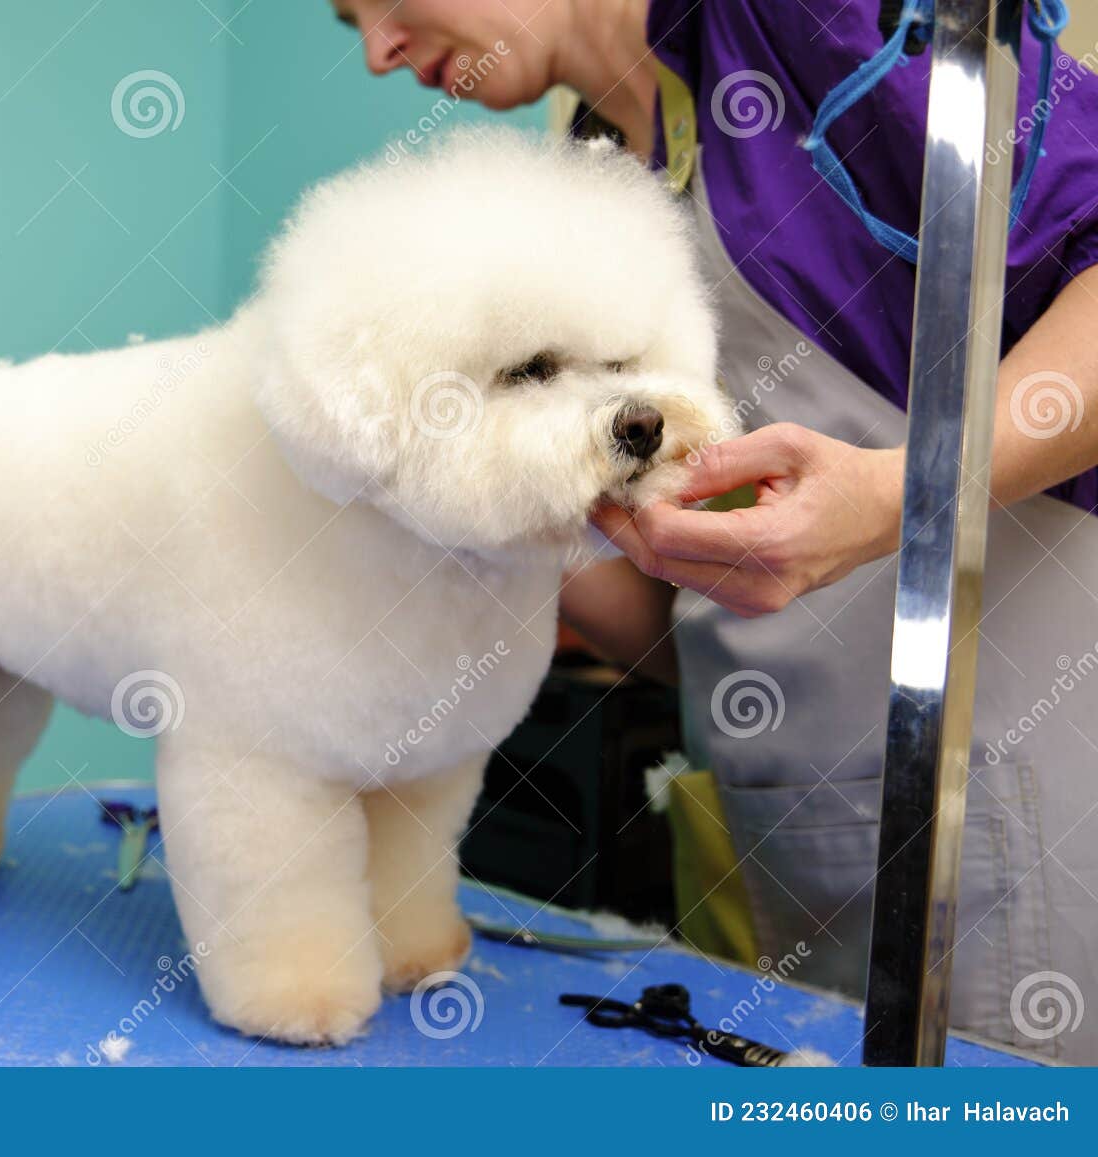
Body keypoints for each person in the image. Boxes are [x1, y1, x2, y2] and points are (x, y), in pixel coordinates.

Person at [334, 0, 1098, 1062]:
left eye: (374, 3)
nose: (379, 52)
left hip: (1011, 793)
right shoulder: (599, 178)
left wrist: (900, 494)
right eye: (351, 28)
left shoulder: (798, 27)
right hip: (803, 827)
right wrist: (474, 515)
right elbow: (695, 619)